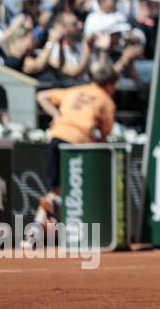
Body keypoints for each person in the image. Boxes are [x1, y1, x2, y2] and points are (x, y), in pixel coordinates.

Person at [29, 64, 118, 245]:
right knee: (74, 190)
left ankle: (32, 235)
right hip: (77, 144)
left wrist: (57, 116)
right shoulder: (106, 101)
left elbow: (41, 96)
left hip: (55, 137)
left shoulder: (75, 90)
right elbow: (105, 136)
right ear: (110, 84)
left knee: (55, 190)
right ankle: (61, 215)